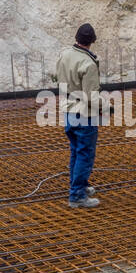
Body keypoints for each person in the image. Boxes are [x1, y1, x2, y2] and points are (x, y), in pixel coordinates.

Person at [55, 23, 111, 209]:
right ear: (92, 42)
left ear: (77, 38)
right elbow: (91, 98)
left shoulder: (65, 54)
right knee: (85, 154)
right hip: (83, 114)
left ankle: (79, 186)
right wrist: (108, 107)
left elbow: (57, 78)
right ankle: (77, 196)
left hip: (68, 110)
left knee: (76, 152)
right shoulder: (88, 64)